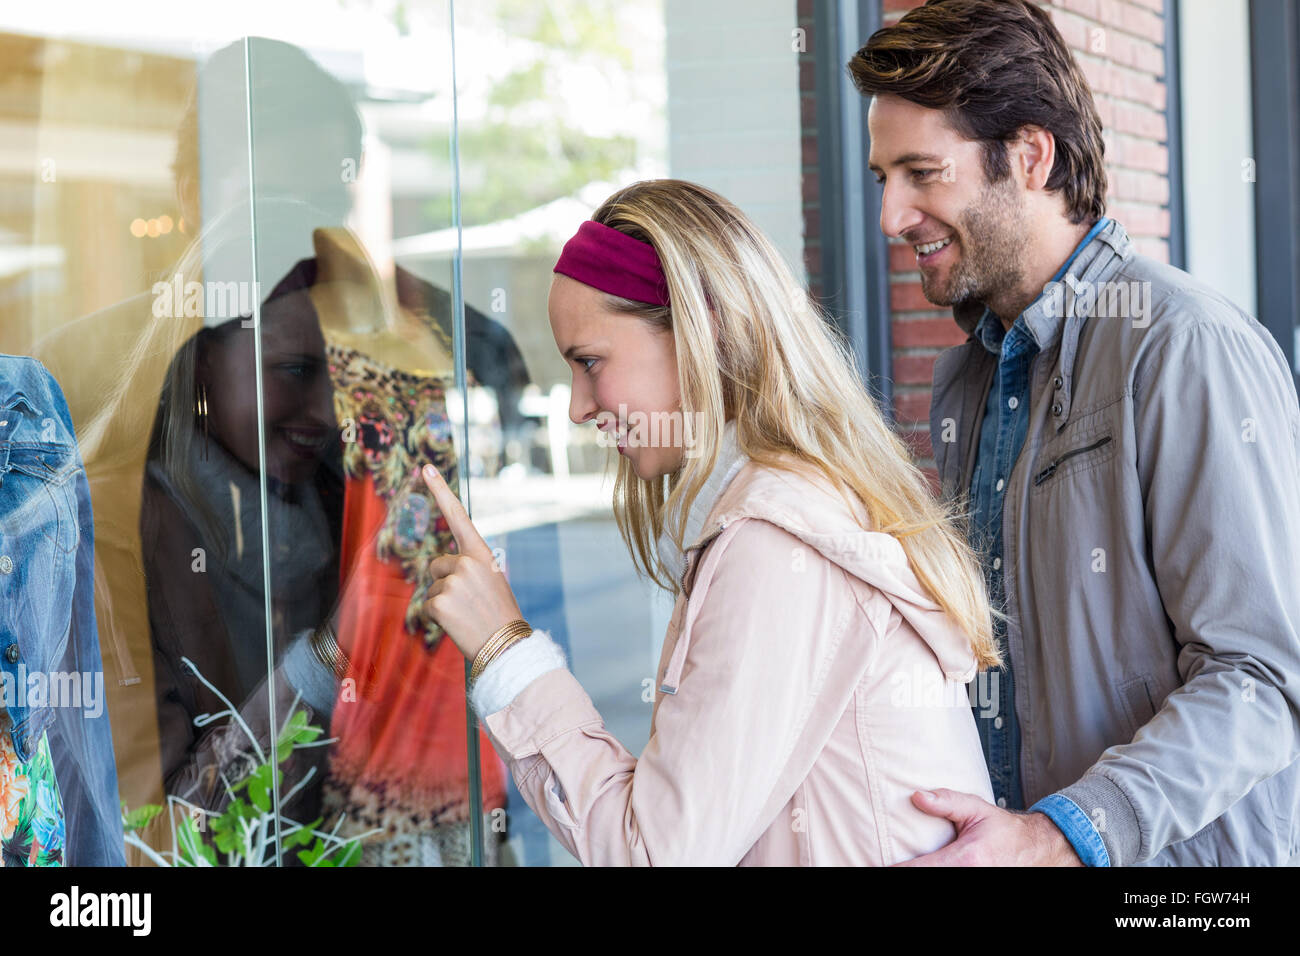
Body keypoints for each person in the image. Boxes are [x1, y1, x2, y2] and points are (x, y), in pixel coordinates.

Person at [417, 178, 1001, 866]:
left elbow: (657, 853)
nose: (578, 407)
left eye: (590, 362)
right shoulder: (777, 515)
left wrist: (506, 654)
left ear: (703, 330)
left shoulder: (778, 545)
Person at [852, 0, 1300, 866]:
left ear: (1029, 156)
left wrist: (1059, 836)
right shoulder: (966, 378)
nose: (891, 216)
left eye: (920, 173)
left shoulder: (1181, 345)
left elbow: (1264, 679)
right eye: (881, 179)